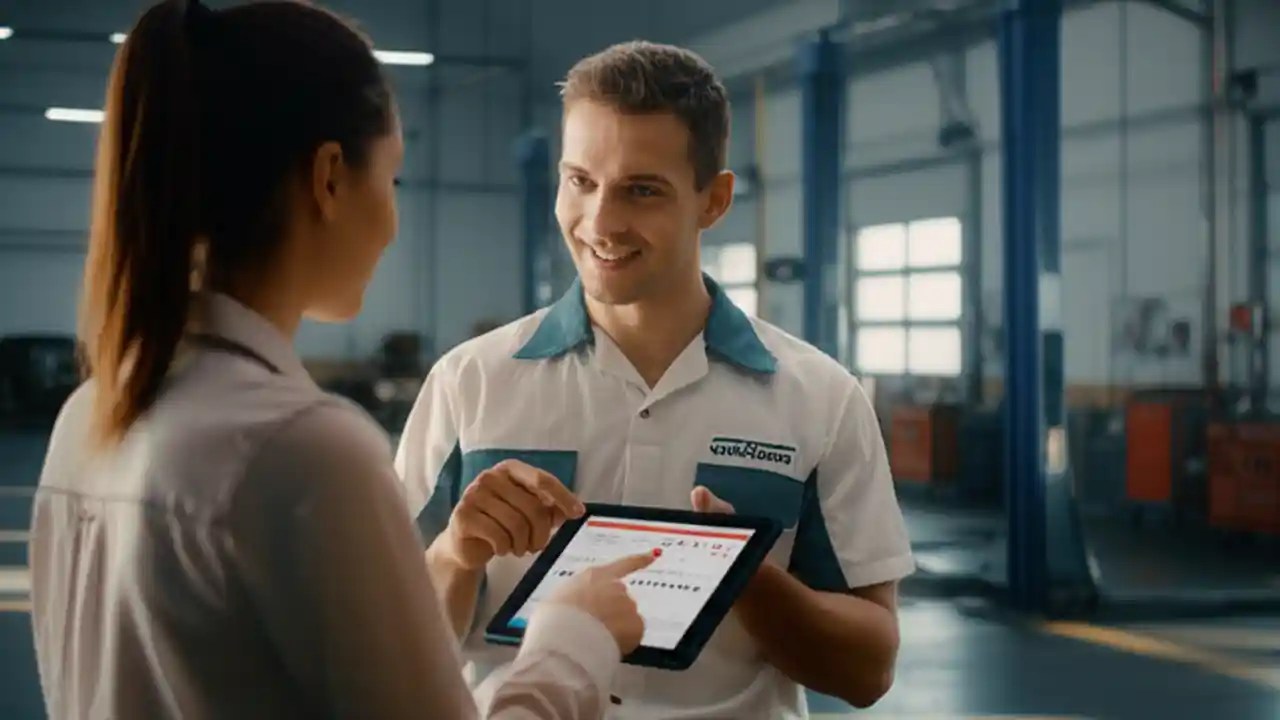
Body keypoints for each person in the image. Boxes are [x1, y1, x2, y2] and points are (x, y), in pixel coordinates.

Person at [28, 2, 654, 718]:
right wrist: (574, 638)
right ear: (329, 176)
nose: (390, 222)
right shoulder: (302, 448)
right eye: (391, 180)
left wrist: (452, 553)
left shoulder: (91, 416)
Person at [396, 41, 915, 719]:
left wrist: (746, 577)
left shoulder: (819, 399)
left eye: (642, 190)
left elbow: (868, 669)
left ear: (714, 199)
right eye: (580, 180)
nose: (602, 222)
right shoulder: (470, 382)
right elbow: (385, 650)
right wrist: (458, 555)